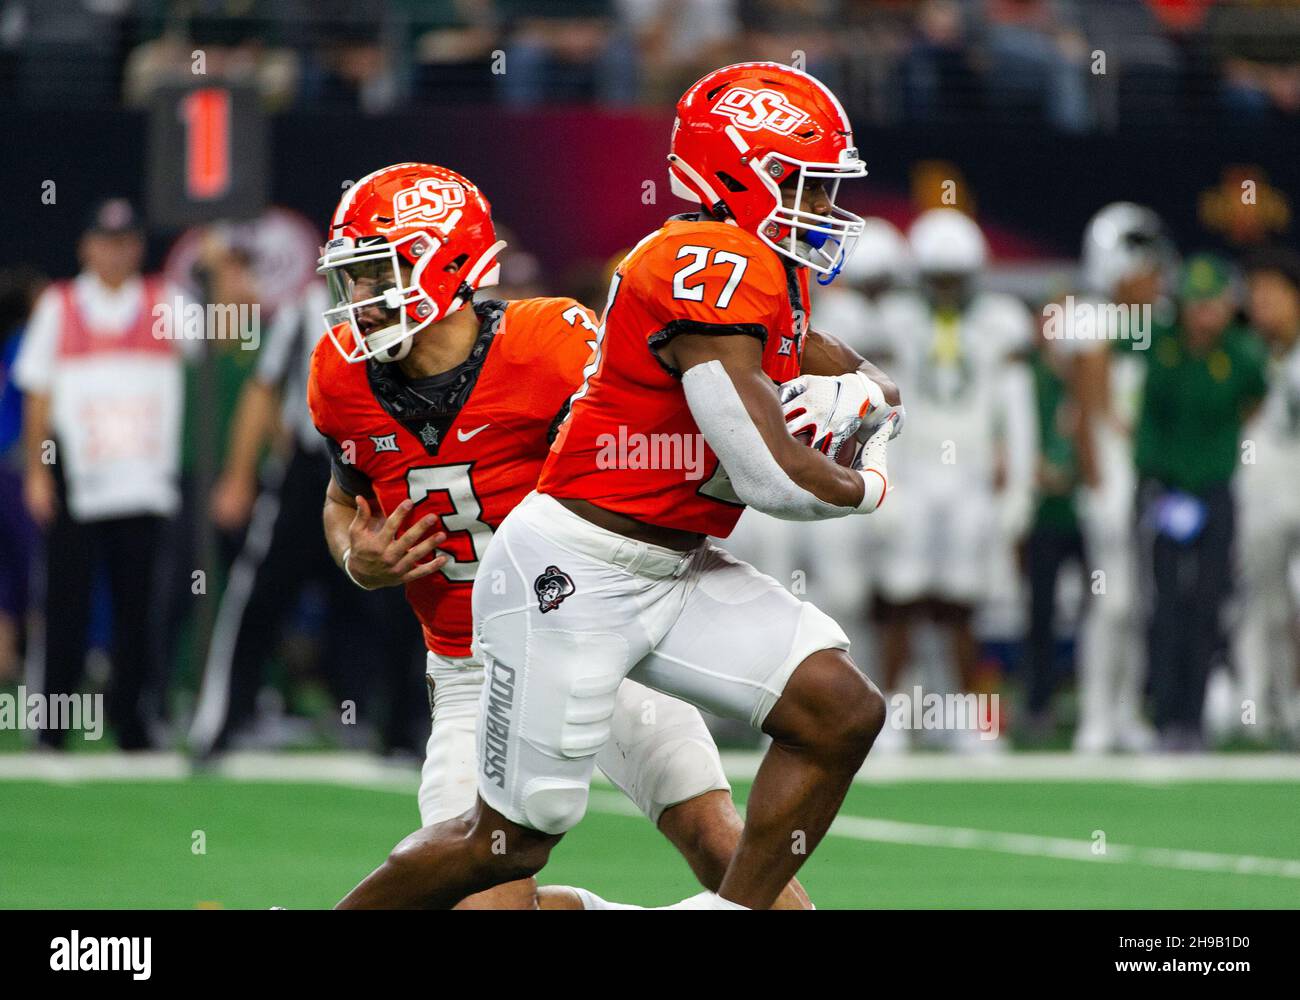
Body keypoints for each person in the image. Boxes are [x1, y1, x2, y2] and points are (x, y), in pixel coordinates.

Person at [339, 63, 902, 912]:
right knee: (508, 842)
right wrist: (870, 481)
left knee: (839, 710)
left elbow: (809, 351)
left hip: (674, 569)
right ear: (742, 175)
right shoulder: (704, 263)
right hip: (576, 574)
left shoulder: (750, 266)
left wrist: (871, 390)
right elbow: (770, 475)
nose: (823, 207)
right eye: (807, 184)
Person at [13, 198, 184, 750]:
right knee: (66, 605)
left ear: (139, 247)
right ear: (86, 246)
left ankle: (134, 724)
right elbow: (38, 395)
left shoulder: (165, 302)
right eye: (106, 242)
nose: (116, 253)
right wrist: (38, 473)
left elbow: (223, 340)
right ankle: (52, 727)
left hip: (144, 483)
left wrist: (216, 265)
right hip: (78, 479)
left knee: (139, 610)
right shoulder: (60, 305)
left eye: (126, 241)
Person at [868, 207, 1036, 751]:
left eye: (954, 278)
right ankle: (892, 714)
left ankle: (963, 716)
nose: (944, 290)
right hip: (913, 470)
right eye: (936, 278)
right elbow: (875, 408)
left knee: (963, 600)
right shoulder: (894, 319)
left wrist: (1018, 489)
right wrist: (879, 478)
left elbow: (1017, 412)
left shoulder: (1000, 321)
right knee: (901, 595)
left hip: (970, 472)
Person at [1135, 254, 1268, 751]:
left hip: (1215, 487)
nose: (1204, 315)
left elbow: (1254, 400)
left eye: (1212, 304)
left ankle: (1194, 719)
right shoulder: (1162, 346)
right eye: (1196, 304)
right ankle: (1163, 716)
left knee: (1209, 603)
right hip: (1167, 486)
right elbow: (1149, 409)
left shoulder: (1242, 352)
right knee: (1166, 603)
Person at [1068, 202, 1173, 753]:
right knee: (1111, 601)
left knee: (1140, 603)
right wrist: (1098, 483)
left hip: (1148, 473)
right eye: (1145, 267)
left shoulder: (1159, 323)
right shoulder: (1093, 319)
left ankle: (1129, 710)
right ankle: (1096, 715)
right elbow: (1089, 414)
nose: (1155, 278)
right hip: (1113, 476)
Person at [1234, 247, 1300, 744]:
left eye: (1271, 294)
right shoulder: (1238, 355)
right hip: (1260, 492)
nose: (1262, 305)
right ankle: (1259, 705)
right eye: (1254, 296)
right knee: (1262, 604)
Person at [1019, 294, 1086, 742]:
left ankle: (1096, 701)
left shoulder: (1088, 369)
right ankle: (1038, 702)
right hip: (1042, 509)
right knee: (1039, 611)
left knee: (1102, 608)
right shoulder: (1027, 374)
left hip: (1083, 507)